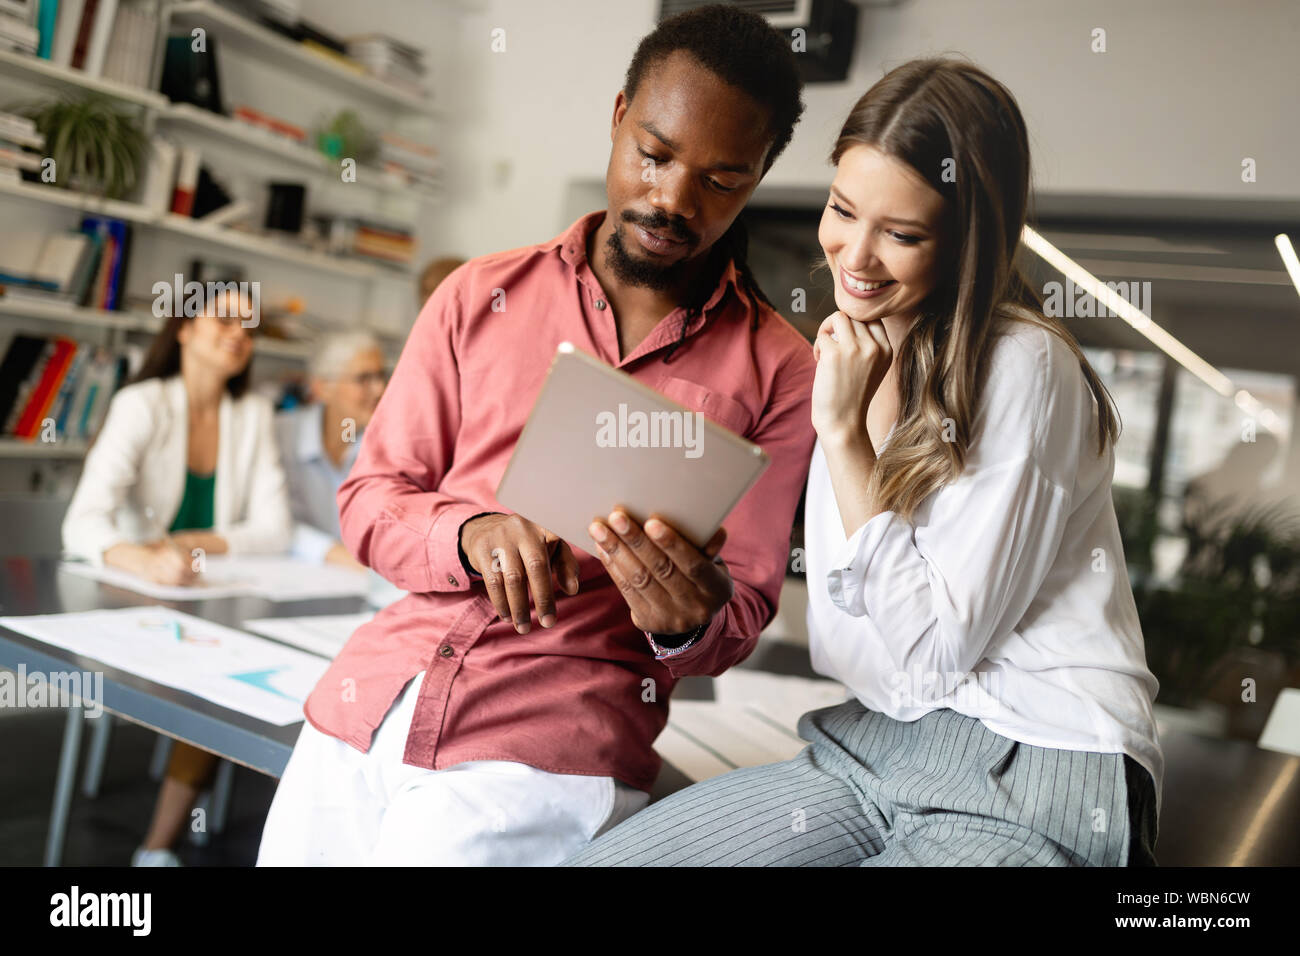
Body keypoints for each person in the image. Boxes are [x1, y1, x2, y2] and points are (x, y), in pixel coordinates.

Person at [565, 57, 1163, 867]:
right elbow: (857, 652)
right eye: (843, 210)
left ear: (965, 241)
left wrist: (845, 438)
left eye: (904, 234)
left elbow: (927, 661)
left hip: (1042, 763)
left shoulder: (1027, 365)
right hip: (873, 742)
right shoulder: (852, 351)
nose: (857, 256)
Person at [256, 4, 816, 866]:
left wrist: (682, 624)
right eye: (654, 155)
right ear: (618, 115)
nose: (673, 199)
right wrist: (469, 532)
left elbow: (740, 611)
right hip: (370, 701)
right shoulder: (475, 296)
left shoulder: (781, 368)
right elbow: (369, 500)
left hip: (544, 746)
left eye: (721, 179)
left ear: (761, 174)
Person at [62, 288, 292, 866]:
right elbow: (82, 521)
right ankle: (161, 845)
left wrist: (193, 543)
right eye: (224, 319)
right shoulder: (142, 404)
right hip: (132, 595)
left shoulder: (254, 414)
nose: (239, 333)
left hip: (211, 598)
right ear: (185, 328)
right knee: (224, 682)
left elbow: (275, 529)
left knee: (247, 678)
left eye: (250, 326)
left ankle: (165, 845)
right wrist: (141, 557)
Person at [274, 332, 387, 567]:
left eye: (381, 376)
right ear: (322, 387)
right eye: (363, 378)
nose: (379, 389)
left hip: (362, 577)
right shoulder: (281, 435)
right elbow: (273, 520)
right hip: (289, 570)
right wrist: (333, 553)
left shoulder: (388, 443)